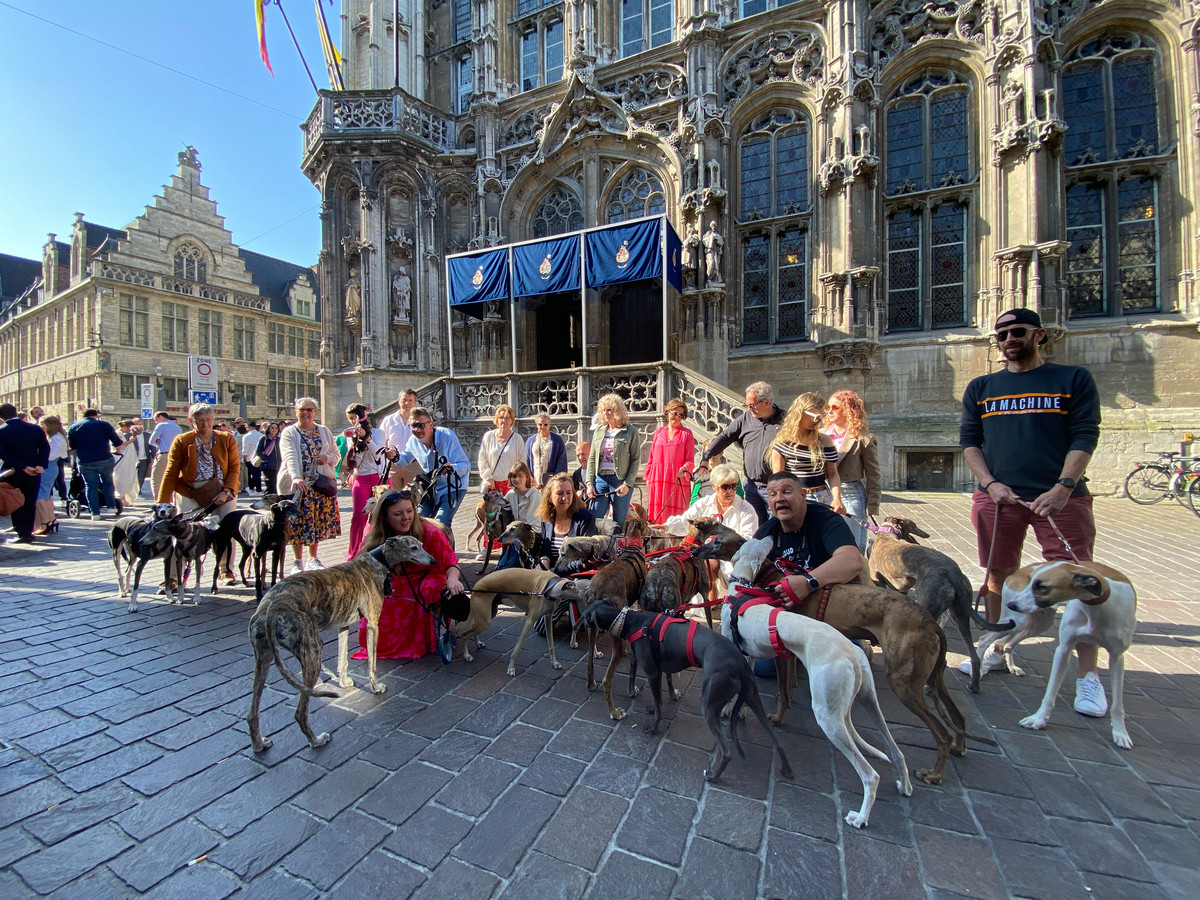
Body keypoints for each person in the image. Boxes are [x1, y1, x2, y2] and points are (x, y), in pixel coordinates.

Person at [960, 307, 1106, 715]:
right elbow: (970, 441)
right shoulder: (982, 387)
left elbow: (1085, 433)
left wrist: (1064, 486)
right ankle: (994, 646)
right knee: (997, 575)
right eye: (1001, 333)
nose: (1008, 338)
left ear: (1038, 335)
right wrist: (990, 484)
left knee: (1080, 581)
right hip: (999, 496)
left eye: (1017, 331)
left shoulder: (1071, 379)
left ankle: (1088, 677)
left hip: (1060, 497)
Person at [353, 488, 465, 660]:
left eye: (410, 511)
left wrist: (452, 579)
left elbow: (451, 563)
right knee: (383, 598)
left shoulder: (430, 532)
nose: (406, 517)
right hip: (394, 580)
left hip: (426, 576)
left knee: (428, 590)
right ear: (384, 516)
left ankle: (424, 641)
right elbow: (360, 565)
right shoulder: (376, 538)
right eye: (398, 514)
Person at [755, 472, 865, 605]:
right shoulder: (765, 532)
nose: (779, 498)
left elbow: (852, 561)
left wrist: (808, 582)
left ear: (802, 494)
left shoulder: (826, 520)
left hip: (833, 605)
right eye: (772, 494)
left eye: (786, 492)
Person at [662, 462, 758, 593]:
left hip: (733, 556)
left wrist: (723, 546)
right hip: (706, 554)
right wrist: (666, 527)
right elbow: (686, 522)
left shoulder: (746, 509)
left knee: (734, 576)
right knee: (697, 563)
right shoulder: (703, 503)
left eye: (733, 486)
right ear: (714, 487)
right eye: (725, 487)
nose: (730, 491)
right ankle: (708, 593)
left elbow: (747, 539)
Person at [700, 381, 784, 525]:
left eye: (753, 405)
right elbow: (725, 437)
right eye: (747, 405)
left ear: (767, 402)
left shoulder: (785, 420)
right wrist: (706, 457)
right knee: (755, 530)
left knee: (777, 528)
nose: (749, 409)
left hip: (775, 487)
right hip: (752, 487)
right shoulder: (746, 419)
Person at [280, 397, 341, 573]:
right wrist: (296, 477)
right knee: (296, 522)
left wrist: (326, 459)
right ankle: (297, 561)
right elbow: (289, 456)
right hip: (299, 485)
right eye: (302, 410)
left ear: (315, 412)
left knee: (315, 522)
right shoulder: (289, 432)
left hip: (319, 485)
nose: (305, 413)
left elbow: (335, 455)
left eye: (309, 410)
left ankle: (312, 558)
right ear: (296, 412)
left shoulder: (324, 430)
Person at [394, 406, 470, 533]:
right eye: (412, 426)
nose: (416, 430)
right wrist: (394, 456)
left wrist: (451, 468)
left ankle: (447, 552)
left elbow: (465, 465)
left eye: (420, 425)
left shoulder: (447, 436)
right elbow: (404, 459)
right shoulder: (413, 441)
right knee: (418, 521)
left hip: (452, 486)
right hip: (430, 488)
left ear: (431, 425)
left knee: (442, 523)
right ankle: (424, 551)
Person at [824, 390, 881, 552]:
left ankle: (857, 576)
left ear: (849, 410)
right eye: (828, 407)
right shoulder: (820, 435)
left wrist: (872, 503)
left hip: (850, 492)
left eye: (835, 407)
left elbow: (874, 475)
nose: (829, 411)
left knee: (853, 543)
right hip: (823, 492)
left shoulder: (863, 438)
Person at [769, 392, 844, 514]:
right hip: (797, 496)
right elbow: (779, 480)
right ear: (800, 413)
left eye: (821, 418)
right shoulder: (783, 444)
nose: (818, 422)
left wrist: (836, 498)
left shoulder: (825, 440)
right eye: (815, 417)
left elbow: (833, 472)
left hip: (823, 495)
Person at [67, 409, 133, 519]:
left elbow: (72, 445)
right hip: (104, 458)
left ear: (83, 416)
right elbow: (117, 442)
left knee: (90, 486)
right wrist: (117, 450)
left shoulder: (74, 427)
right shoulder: (104, 425)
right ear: (96, 415)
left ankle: (95, 513)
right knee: (108, 482)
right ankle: (111, 506)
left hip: (85, 460)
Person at [586, 394, 640, 527]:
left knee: (619, 522)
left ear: (618, 411)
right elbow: (592, 458)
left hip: (620, 480)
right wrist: (589, 483)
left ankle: (617, 547)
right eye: (603, 410)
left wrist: (627, 484)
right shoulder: (599, 430)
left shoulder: (630, 431)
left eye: (609, 409)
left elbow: (635, 459)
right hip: (601, 479)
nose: (606, 413)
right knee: (595, 519)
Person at [342, 403, 388, 560]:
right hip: (362, 477)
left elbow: (379, 454)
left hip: (380, 477)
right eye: (350, 419)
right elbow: (356, 460)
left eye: (355, 418)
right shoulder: (352, 436)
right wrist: (356, 442)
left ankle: (372, 549)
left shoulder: (379, 433)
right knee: (358, 517)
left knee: (379, 516)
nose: (353, 422)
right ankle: (353, 554)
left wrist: (367, 439)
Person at [0, 402, 49, 543]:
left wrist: (23, 466)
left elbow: (4, 454)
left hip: (13, 471)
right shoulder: (34, 428)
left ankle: (22, 532)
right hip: (34, 470)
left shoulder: (2, 431)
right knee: (30, 500)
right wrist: (40, 465)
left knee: (15, 501)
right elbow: (45, 448)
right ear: (16, 413)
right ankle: (29, 530)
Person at [644, 398, 695, 524]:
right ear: (667, 413)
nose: (677, 417)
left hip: (676, 479)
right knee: (656, 518)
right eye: (674, 413)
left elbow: (690, 459)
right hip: (658, 479)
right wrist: (648, 477)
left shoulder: (687, 434)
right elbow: (651, 457)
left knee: (675, 519)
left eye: (681, 415)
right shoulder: (658, 432)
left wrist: (685, 468)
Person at [537, 472, 598, 567]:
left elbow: (586, 558)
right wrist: (544, 561)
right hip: (550, 575)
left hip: (576, 576)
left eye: (568, 493)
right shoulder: (546, 520)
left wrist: (556, 572)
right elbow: (545, 551)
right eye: (559, 493)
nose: (565, 497)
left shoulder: (585, 518)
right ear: (549, 497)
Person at [477, 405, 523, 496]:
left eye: (507, 418)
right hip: (492, 484)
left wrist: (517, 480)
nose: (504, 421)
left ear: (511, 420)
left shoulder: (517, 438)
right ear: (497, 420)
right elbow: (482, 459)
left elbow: (521, 462)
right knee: (492, 510)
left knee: (510, 509)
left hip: (511, 484)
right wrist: (488, 477)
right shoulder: (489, 436)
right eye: (501, 417)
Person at [34, 415, 68, 535]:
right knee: (46, 495)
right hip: (50, 467)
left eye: (43, 424)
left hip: (47, 467)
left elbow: (50, 455)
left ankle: (45, 522)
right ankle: (50, 519)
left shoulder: (56, 438)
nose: (41, 427)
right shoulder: (57, 437)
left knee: (40, 495)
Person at [380, 388, 418, 488]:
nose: (407, 403)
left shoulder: (419, 421)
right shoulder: (389, 420)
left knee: (413, 498)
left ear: (415, 402)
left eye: (410, 400)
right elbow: (381, 440)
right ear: (398, 401)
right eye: (404, 400)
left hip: (413, 464)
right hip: (393, 465)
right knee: (393, 497)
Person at [525, 413, 568, 487]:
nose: (542, 427)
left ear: (549, 425)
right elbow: (526, 460)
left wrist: (557, 481)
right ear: (536, 425)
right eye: (540, 424)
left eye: (545, 424)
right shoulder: (530, 441)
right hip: (534, 481)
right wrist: (528, 476)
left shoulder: (557, 440)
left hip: (550, 482)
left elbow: (562, 462)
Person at [148, 411, 182, 500]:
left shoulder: (161, 425)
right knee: (172, 479)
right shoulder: (178, 427)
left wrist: (159, 443)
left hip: (164, 454)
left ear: (161, 417)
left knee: (157, 479)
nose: (156, 422)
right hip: (175, 455)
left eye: (156, 419)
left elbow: (151, 441)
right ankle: (172, 501)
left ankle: (159, 503)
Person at [257, 422, 283, 495]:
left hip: (278, 466)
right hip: (267, 466)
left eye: (276, 428)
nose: (274, 430)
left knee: (277, 486)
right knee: (270, 486)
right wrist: (265, 460)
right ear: (268, 429)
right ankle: (268, 501)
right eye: (272, 428)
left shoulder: (280, 439)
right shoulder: (264, 439)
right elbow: (258, 451)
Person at [242, 421, 264, 494]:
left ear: (249, 427)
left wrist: (244, 457)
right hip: (259, 457)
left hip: (249, 458)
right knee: (257, 474)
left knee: (253, 474)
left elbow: (245, 448)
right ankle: (256, 488)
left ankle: (256, 489)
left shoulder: (246, 436)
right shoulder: (261, 435)